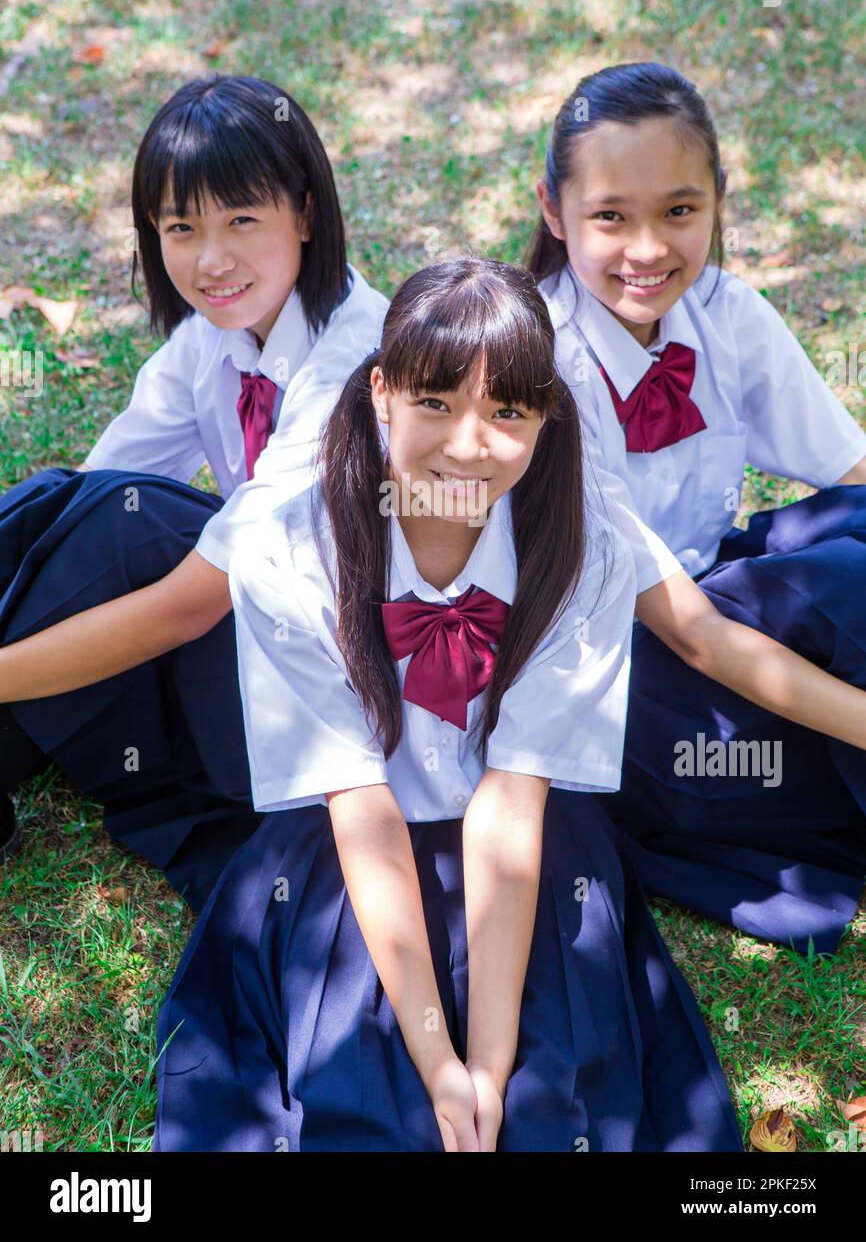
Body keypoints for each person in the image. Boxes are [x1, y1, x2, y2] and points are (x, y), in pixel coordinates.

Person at [153, 257, 743, 1153]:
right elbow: (358, 807)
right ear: (381, 390)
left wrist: (491, 1065)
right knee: (367, 1108)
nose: (468, 445)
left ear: (547, 417)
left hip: (526, 845)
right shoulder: (287, 553)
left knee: (555, 1109)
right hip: (342, 846)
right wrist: (438, 1060)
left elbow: (514, 801)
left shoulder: (585, 554)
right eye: (435, 402)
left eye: (507, 411)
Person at [0, 74, 388, 908]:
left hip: (344, 696)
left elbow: (187, 605)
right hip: (257, 644)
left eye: (242, 220)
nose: (212, 260)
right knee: (65, 508)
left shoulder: (357, 370)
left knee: (127, 533)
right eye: (182, 228)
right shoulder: (208, 343)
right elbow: (77, 508)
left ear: (307, 213)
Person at [528, 60, 866, 954]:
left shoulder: (725, 311)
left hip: (707, 593)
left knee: (849, 556)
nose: (648, 249)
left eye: (679, 212)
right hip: (611, 673)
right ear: (554, 212)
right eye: (611, 217)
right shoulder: (539, 368)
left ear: (718, 199)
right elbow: (688, 637)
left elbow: (854, 471)